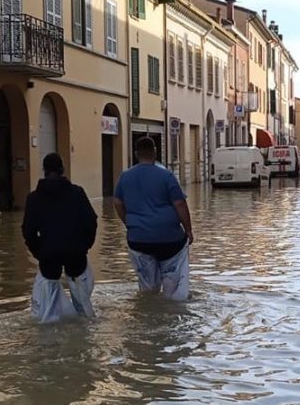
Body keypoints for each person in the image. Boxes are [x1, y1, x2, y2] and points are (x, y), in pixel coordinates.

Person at [114, 136, 194, 301]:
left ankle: (148, 308)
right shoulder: (167, 176)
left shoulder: (125, 177)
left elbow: (117, 203)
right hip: (170, 240)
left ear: (136, 154)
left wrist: (129, 224)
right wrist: (188, 230)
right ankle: (170, 305)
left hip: (139, 239)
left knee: (147, 288)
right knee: (173, 288)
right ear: (155, 153)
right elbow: (180, 204)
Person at [22, 153, 98, 323]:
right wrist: (84, 246)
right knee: (84, 309)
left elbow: (28, 231)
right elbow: (91, 222)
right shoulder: (77, 193)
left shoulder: (34, 198)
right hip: (76, 253)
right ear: (63, 170)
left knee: (48, 312)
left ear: (44, 171)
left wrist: (39, 252)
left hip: (49, 255)